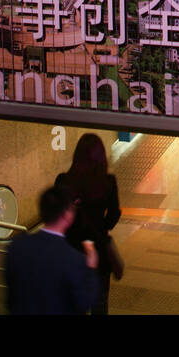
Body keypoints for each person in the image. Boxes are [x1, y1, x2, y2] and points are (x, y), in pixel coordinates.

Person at [55, 134, 122, 315]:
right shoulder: (108, 182)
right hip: (99, 251)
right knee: (100, 305)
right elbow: (114, 213)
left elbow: (56, 215)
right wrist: (102, 228)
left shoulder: (63, 181)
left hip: (70, 251)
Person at [5, 186, 98, 315]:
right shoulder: (75, 259)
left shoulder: (16, 245)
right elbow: (85, 303)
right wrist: (91, 268)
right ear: (67, 215)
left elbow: (11, 298)